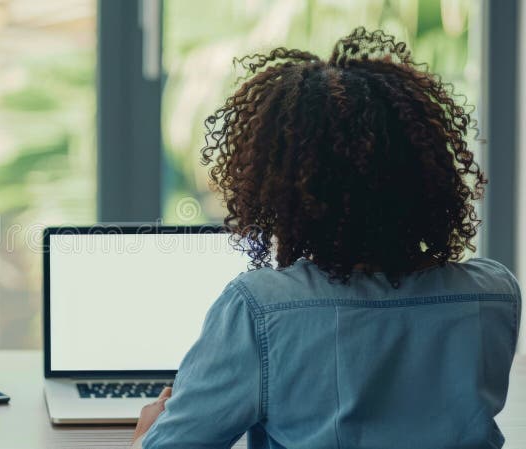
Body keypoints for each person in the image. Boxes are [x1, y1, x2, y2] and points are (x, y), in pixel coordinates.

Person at [131, 27, 521, 449]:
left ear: (279, 189)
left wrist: (147, 432)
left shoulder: (261, 309)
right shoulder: (495, 294)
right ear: (427, 176)